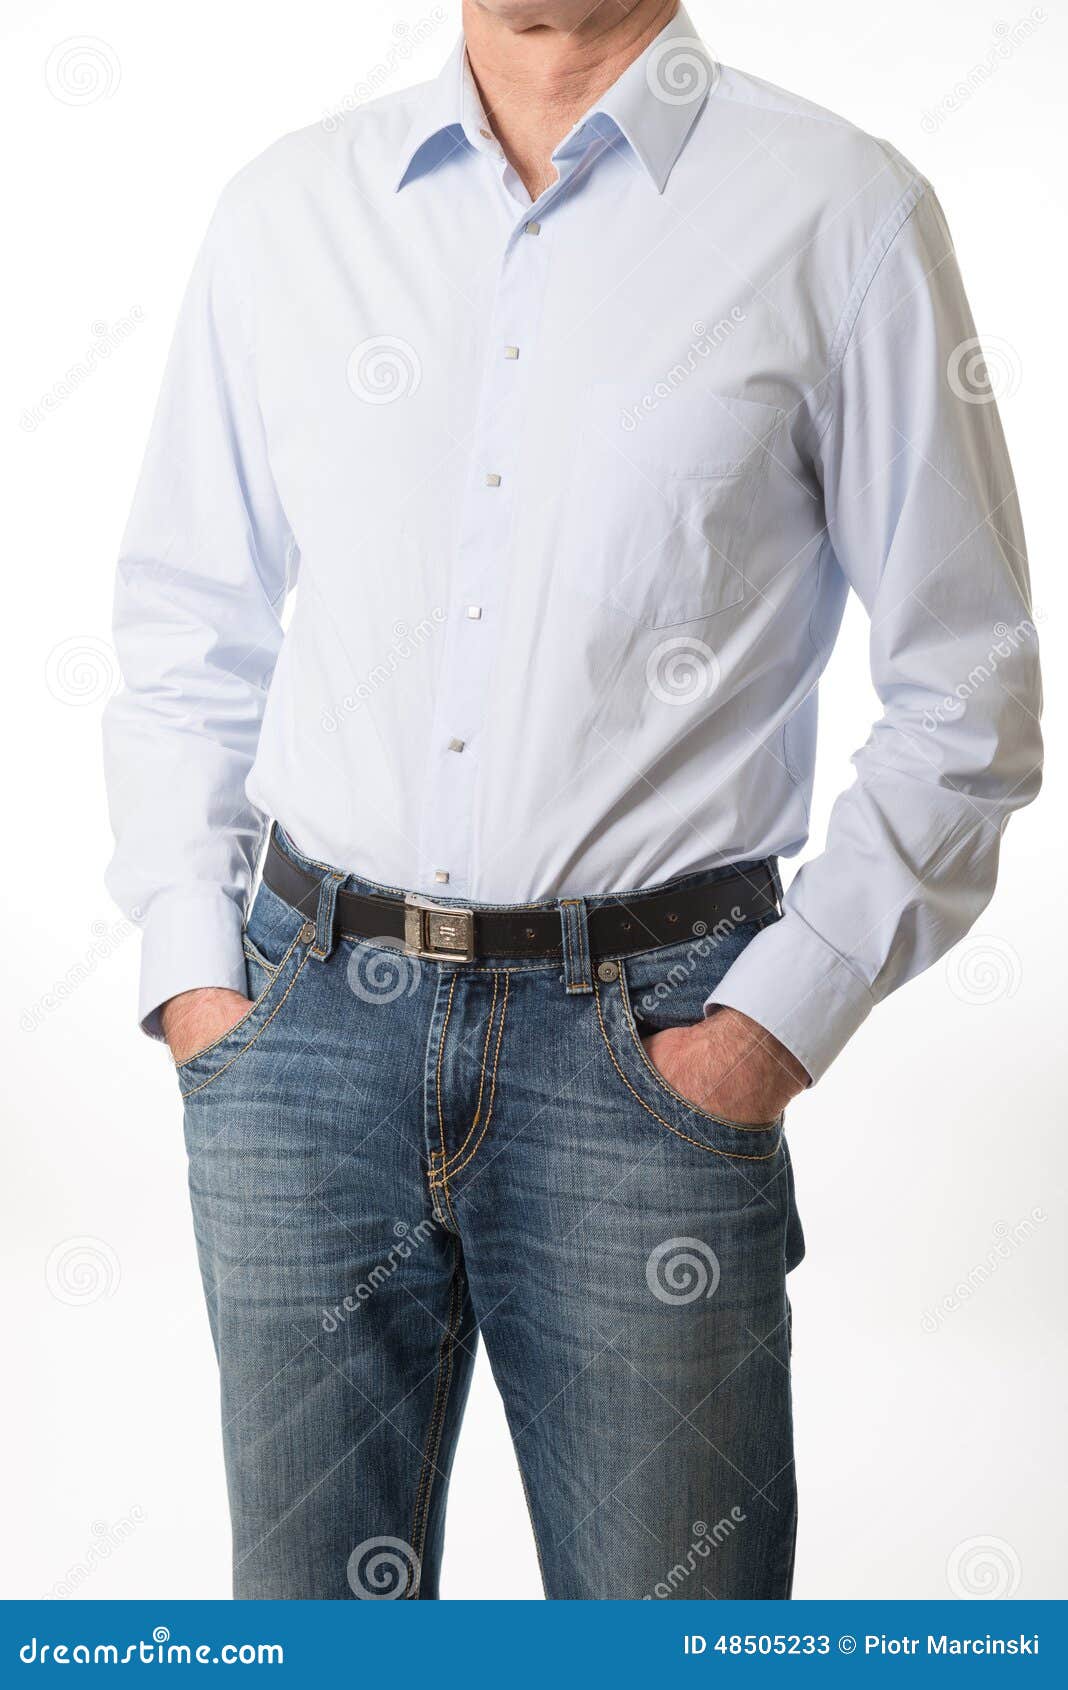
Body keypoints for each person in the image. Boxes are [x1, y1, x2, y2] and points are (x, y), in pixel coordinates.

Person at [103, 0, 1042, 1599]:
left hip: (649, 1056)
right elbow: (190, 628)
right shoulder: (288, 211)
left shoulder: (840, 212)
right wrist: (203, 985)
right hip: (301, 1032)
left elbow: (971, 687)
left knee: (666, 1634)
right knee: (308, 1631)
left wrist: (763, 1032)